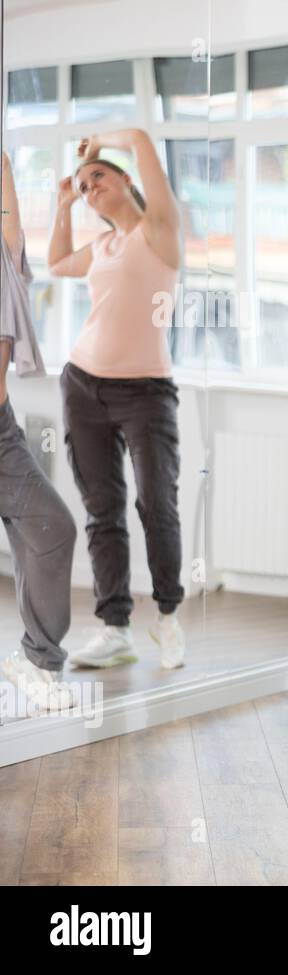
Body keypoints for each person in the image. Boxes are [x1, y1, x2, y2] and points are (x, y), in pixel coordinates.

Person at [48, 130, 186, 670]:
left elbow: (142, 140)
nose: (90, 188)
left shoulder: (158, 232)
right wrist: (62, 203)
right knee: (102, 511)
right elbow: (57, 263)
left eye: (98, 177)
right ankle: (115, 628)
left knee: (158, 505)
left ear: (126, 178)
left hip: (147, 391)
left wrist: (98, 145)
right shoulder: (102, 247)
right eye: (84, 186)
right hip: (83, 384)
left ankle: (169, 619)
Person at [0, 151, 77, 715]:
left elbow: (9, 217)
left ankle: (35, 661)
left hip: (1, 432)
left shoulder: (6, 257)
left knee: (51, 530)